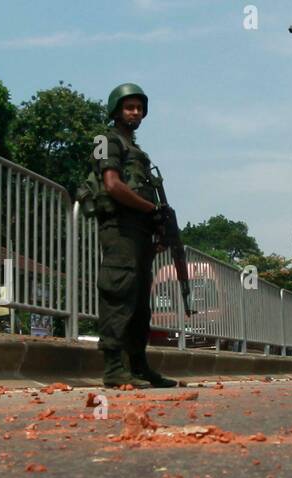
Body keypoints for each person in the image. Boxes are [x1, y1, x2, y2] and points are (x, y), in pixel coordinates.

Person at [90, 83, 178, 389]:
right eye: (129, 107)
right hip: (119, 229)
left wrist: (158, 226)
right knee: (119, 292)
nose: (135, 112)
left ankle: (139, 367)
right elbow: (113, 185)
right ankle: (114, 368)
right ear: (116, 110)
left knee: (140, 302)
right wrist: (151, 208)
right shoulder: (105, 140)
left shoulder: (139, 153)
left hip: (139, 232)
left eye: (140, 108)